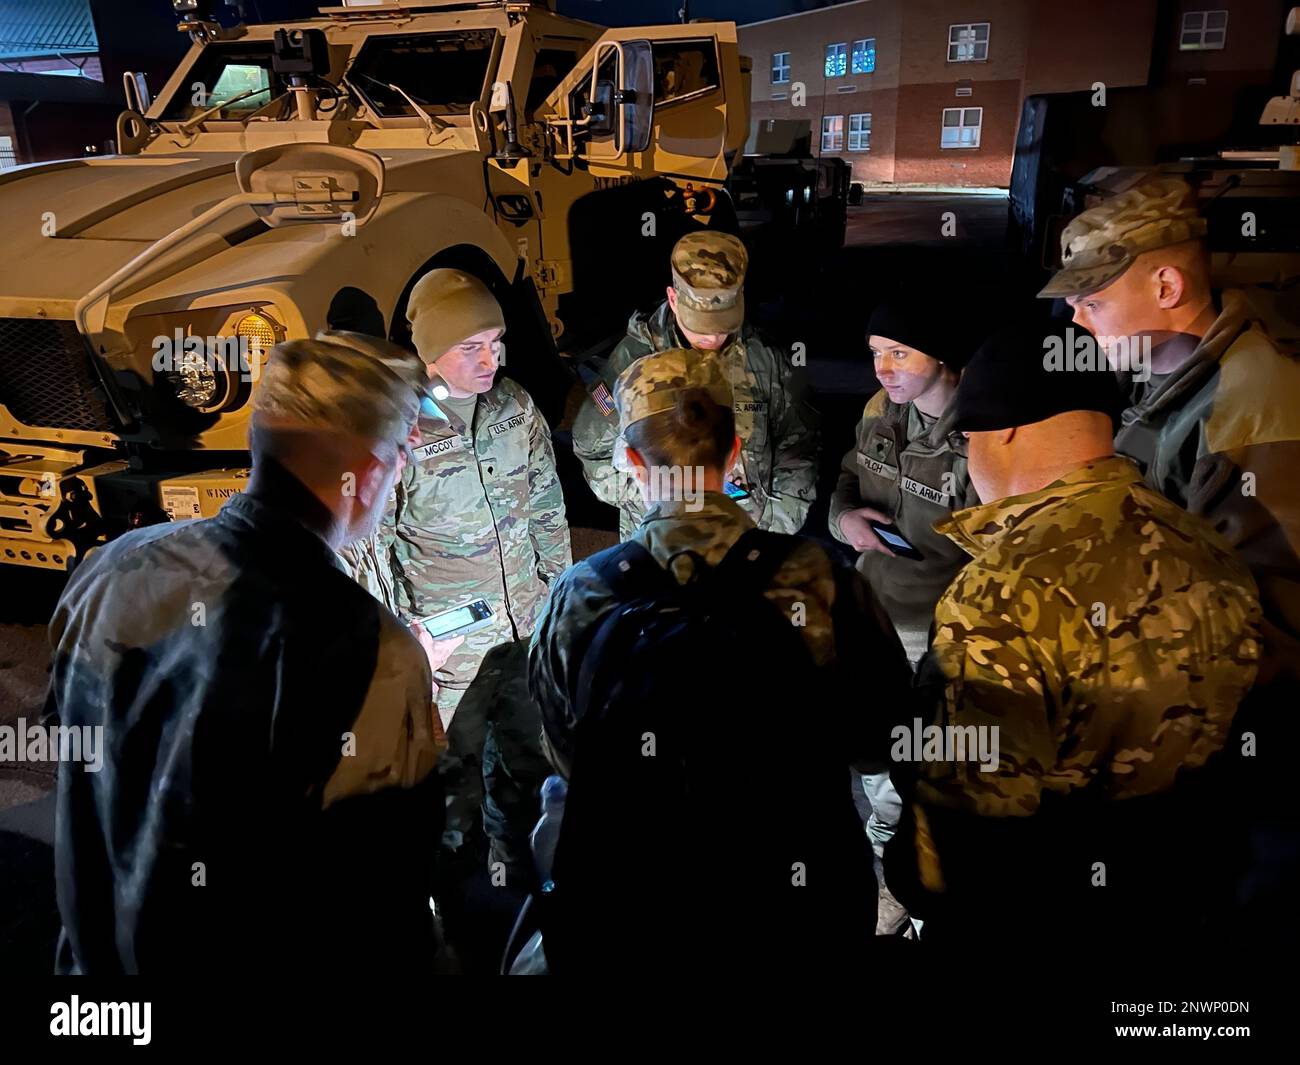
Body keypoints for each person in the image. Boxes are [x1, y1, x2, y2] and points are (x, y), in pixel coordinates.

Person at [48, 332, 445, 974]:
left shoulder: (108, 569)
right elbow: (380, 902)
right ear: (370, 472)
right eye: (402, 455)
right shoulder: (368, 648)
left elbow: (75, 749)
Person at [529, 348, 912, 970]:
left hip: (642, 912)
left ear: (630, 463)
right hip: (798, 907)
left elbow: (567, 755)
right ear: (734, 453)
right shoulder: (819, 577)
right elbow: (883, 741)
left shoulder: (583, 594)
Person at [891, 321, 1262, 954]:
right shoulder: (1208, 547)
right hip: (1188, 909)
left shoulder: (1002, 593)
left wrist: (912, 875)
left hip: (1045, 926)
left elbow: (965, 836)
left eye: (966, 437)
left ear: (1001, 429)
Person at [1042, 176, 1300, 688]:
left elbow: (1271, 628)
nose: (1077, 324)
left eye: (1092, 304)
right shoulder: (1142, 363)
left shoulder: (1252, 415)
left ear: (1166, 287)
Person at [381, 268, 570, 885]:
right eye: (472, 347)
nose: (492, 359)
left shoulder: (514, 406)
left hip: (526, 622)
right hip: (449, 644)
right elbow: (374, 544)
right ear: (430, 351)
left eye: (497, 341)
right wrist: (399, 639)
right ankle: (447, 900)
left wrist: (558, 595)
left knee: (527, 761)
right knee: (450, 774)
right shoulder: (397, 427)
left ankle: (517, 877)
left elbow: (546, 501)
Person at [826, 298, 976, 925]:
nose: (883, 368)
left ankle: (906, 890)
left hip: (938, 629)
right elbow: (848, 481)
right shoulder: (879, 411)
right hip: (872, 609)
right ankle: (888, 868)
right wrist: (843, 520)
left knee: (921, 765)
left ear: (940, 355)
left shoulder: (983, 431)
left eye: (899, 352)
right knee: (871, 752)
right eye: (875, 353)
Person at [572, 230, 819, 539]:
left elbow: (798, 447)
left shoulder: (763, 358)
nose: (712, 339)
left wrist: (772, 528)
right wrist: (666, 500)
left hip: (745, 540)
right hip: (661, 543)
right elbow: (593, 454)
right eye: (699, 327)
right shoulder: (634, 361)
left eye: (722, 326)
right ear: (673, 299)